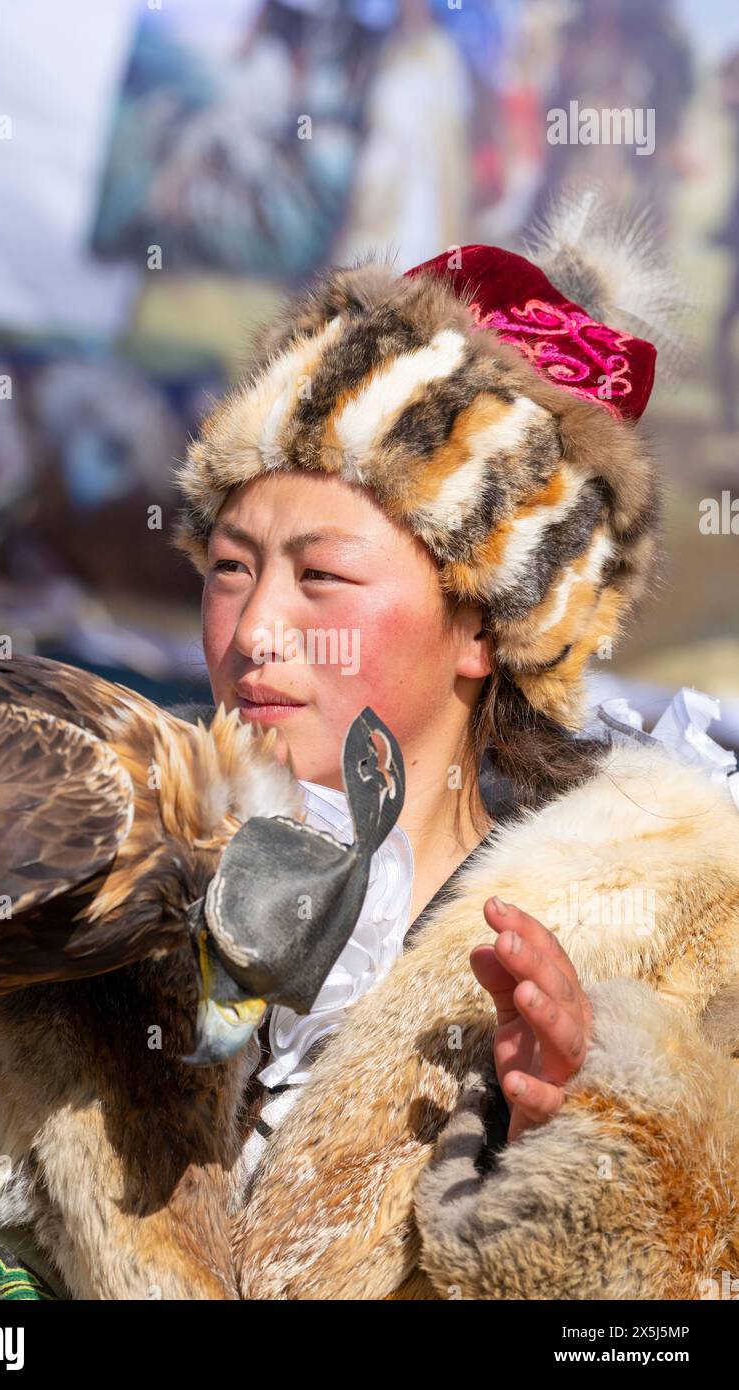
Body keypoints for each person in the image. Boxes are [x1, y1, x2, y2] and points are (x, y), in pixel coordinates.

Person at [169, 199, 739, 1299]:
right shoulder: (98, 875)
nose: (252, 632)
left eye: (320, 576)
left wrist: (570, 1131)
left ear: (483, 623)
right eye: (229, 566)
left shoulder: (680, 941)